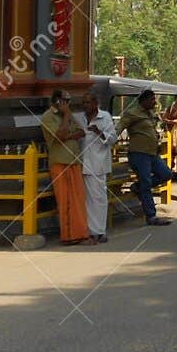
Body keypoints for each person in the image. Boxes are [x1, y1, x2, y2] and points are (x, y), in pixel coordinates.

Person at [41, 90, 89, 245]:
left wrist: (67, 131)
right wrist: (67, 116)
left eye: (69, 101)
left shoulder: (68, 116)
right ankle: (69, 236)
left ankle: (81, 233)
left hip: (74, 161)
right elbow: (59, 135)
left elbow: (81, 132)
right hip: (60, 162)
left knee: (78, 200)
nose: (68, 104)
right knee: (66, 201)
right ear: (57, 102)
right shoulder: (48, 117)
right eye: (65, 101)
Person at [117, 89, 171, 227]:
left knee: (166, 174)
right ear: (144, 100)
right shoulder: (132, 113)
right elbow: (118, 128)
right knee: (146, 182)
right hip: (139, 154)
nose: (154, 102)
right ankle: (151, 216)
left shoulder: (151, 113)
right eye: (152, 99)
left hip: (152, 153)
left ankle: (138, 188)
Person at [79, 92, 116, 245]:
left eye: (88, 102)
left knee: (99, 198)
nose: (85, 105)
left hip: (98, 164)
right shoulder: (80, 118)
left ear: (95, 104)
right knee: (87, 199)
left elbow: (113, 139)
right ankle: (89, 231)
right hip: (83, 163)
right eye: (84, 102)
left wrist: (98, 132)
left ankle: (100, 232)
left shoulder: (105, 117)